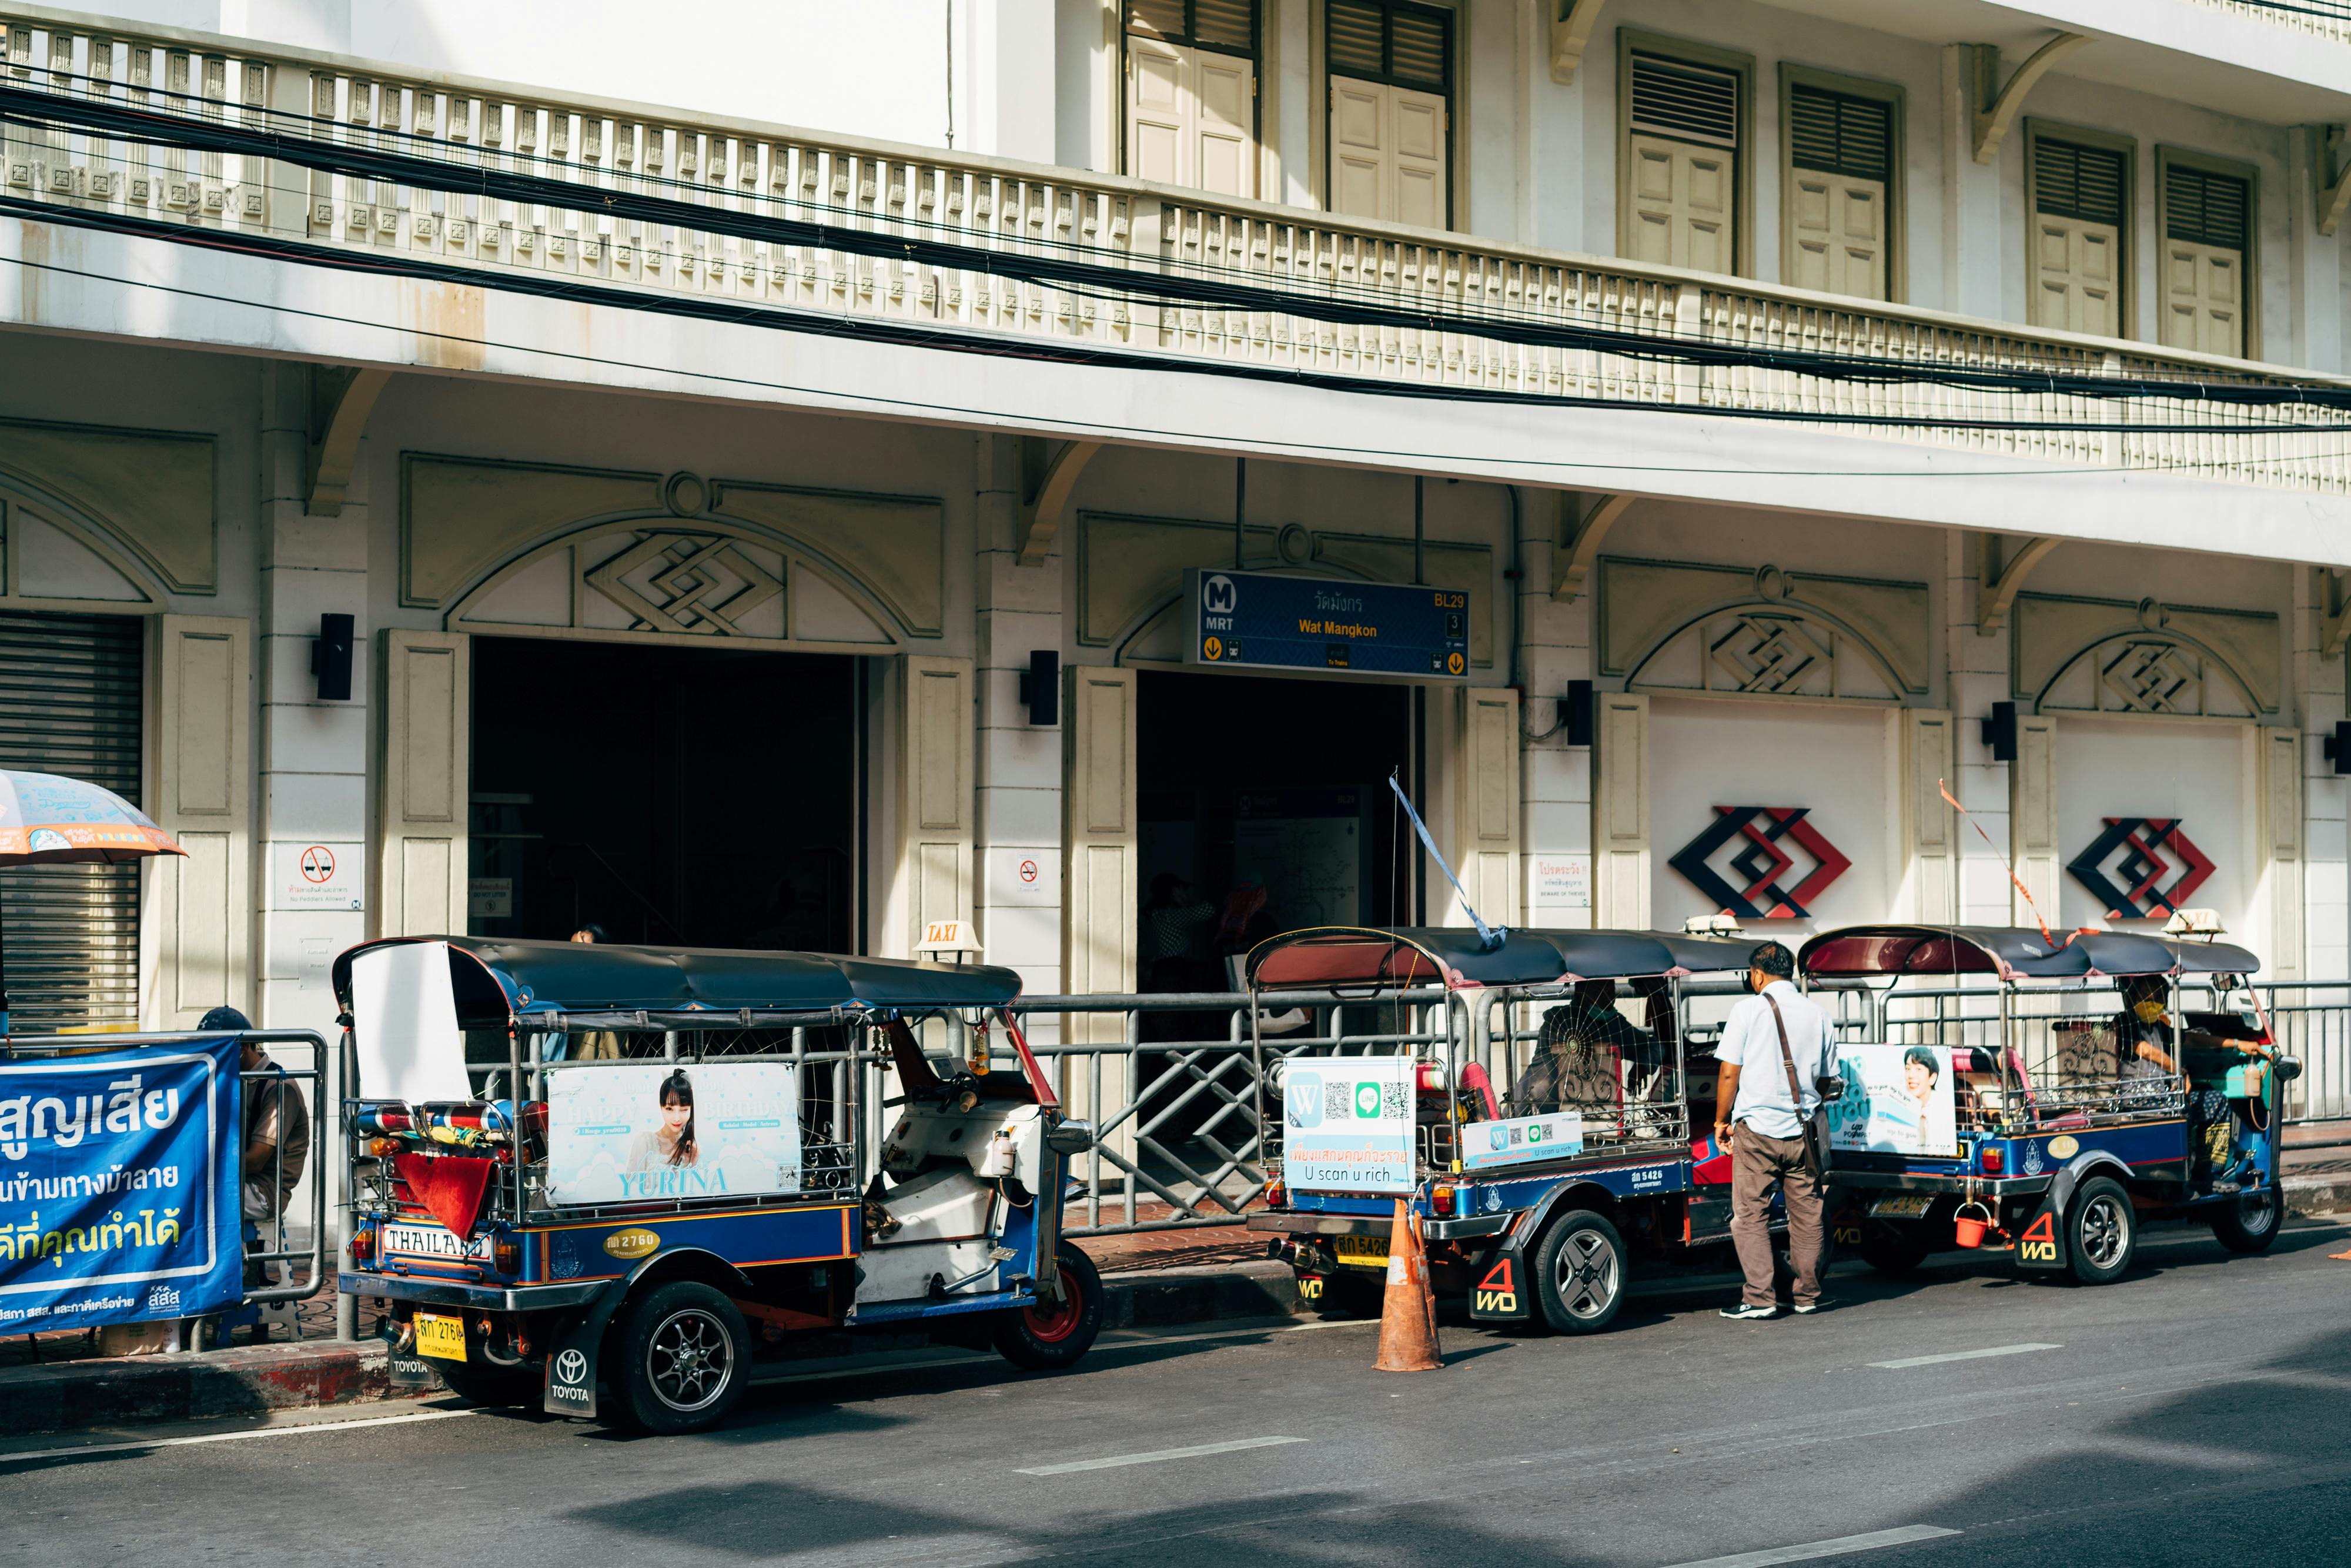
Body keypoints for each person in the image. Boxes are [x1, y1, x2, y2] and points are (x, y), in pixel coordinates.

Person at [1713, 941, 1834, 1320]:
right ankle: (1807, 1296)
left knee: (1750, 1215)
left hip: (1758, 1131)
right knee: (1808, 1214)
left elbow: (1730, 1071)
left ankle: (1760, 1299)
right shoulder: (1819, 1014)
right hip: (1804, 1131)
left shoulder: (1747, 1009)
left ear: (1757, 975)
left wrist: (1721, 1122)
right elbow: (1829, 1080)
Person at [206, 1005, 311, 1338]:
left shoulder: (279, 1086)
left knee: (198, 1203)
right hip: (236, 1181)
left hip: (264, 1191)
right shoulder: (234, 1081)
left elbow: (255, 1159)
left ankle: (223, 1291)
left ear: (243, 1048)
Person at [626, 1068, 698, 1170]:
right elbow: (632, 1184)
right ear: (661, 1106)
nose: (677, 1118)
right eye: (669, 1109)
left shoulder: (692, 1149)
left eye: (684, 1109)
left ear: (691, 1109)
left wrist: (690, 1160)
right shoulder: (645, 1141)